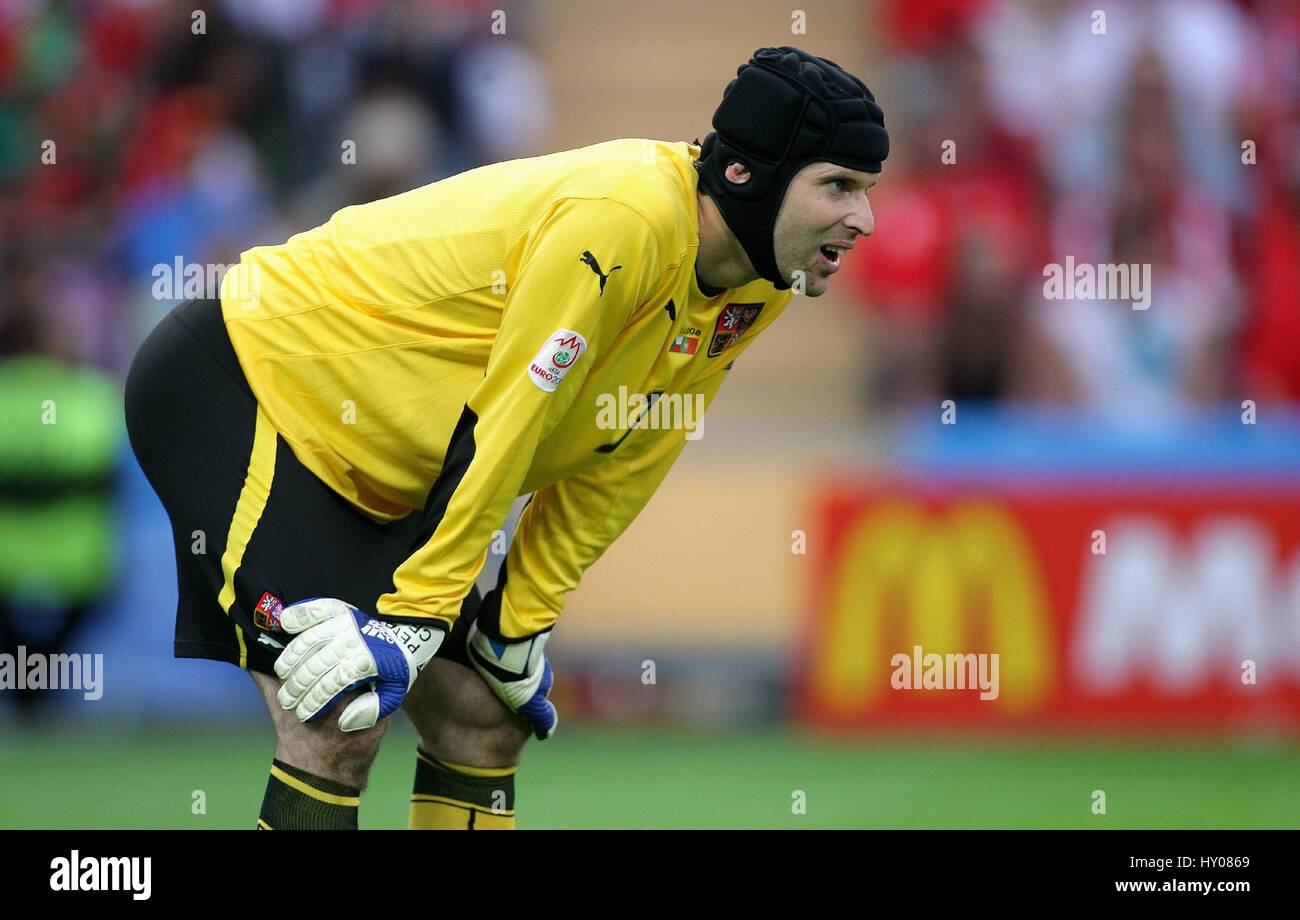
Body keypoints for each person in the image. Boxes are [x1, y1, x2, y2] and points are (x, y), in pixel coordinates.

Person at [123, 45, 887, 830]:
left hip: (382, 464)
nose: (864, 217)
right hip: (245, 383)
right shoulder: (623, 220)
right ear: (743, 177)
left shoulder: (764, 277)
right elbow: (506, 424)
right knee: (340, 714)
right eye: (838, 186)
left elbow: (636, 444)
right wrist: (414, 620)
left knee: (486, 717)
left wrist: (517, 622)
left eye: (867, 190)